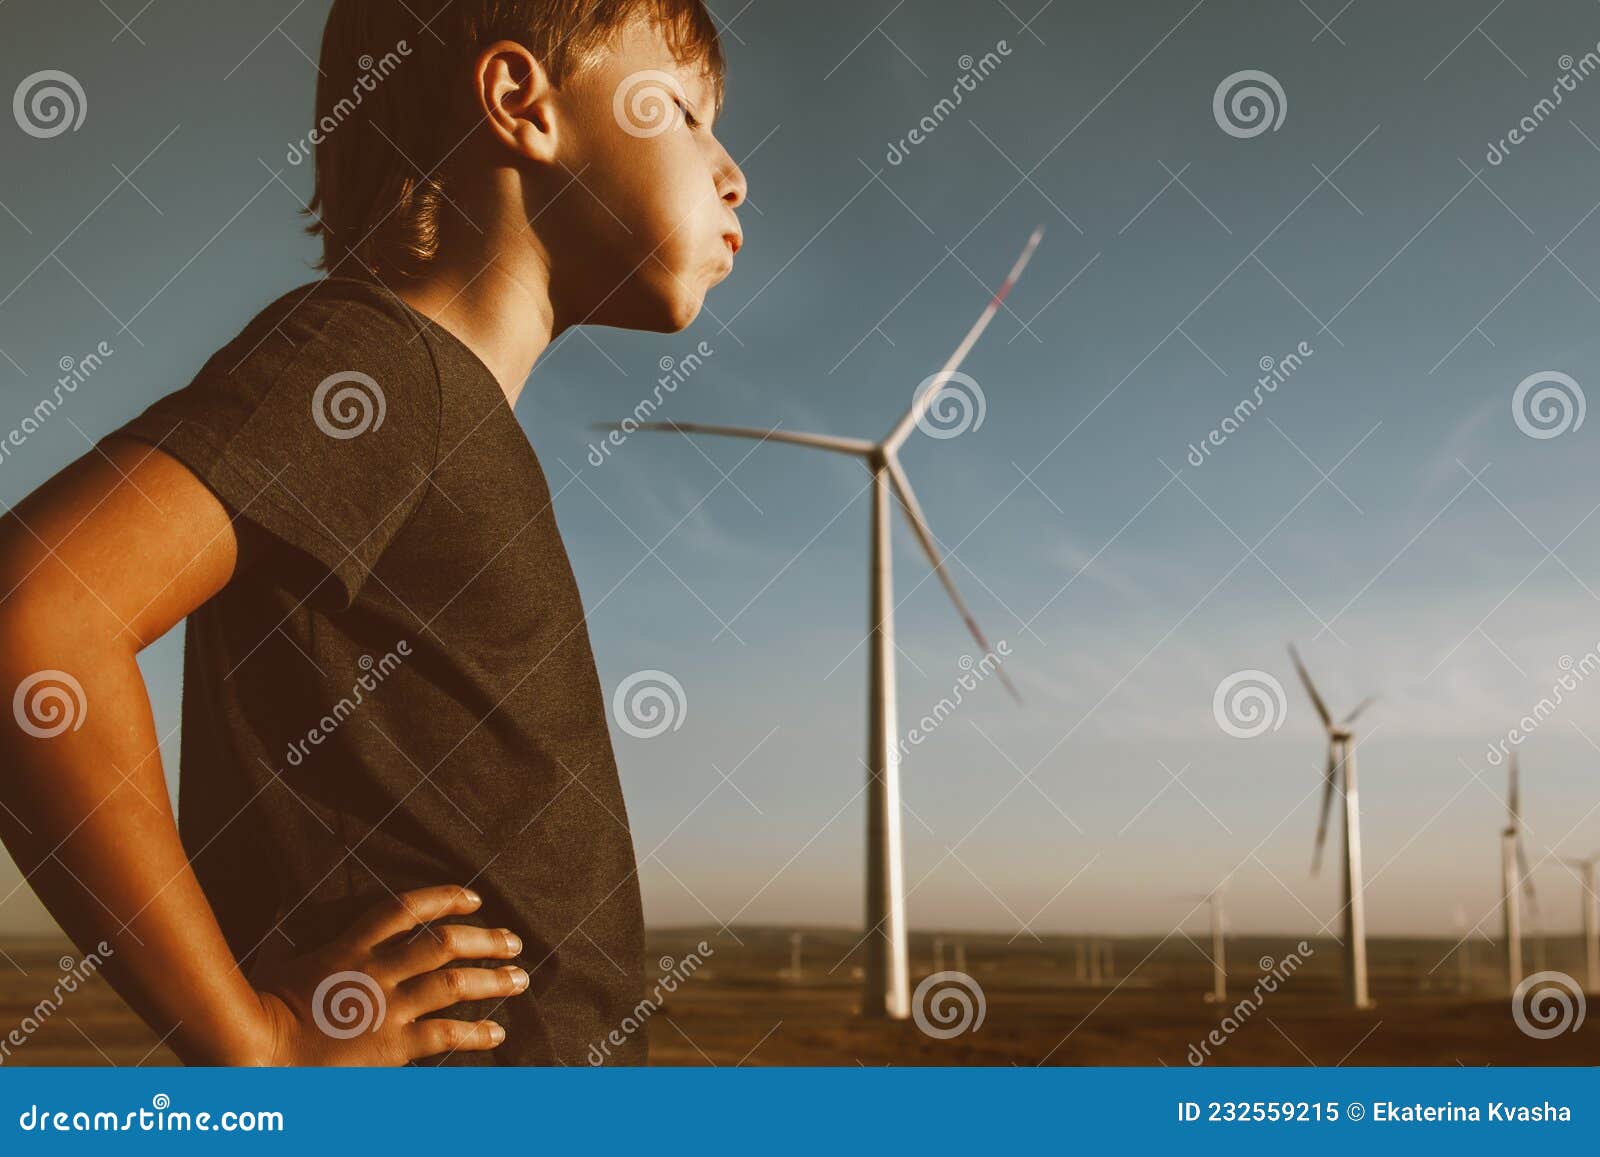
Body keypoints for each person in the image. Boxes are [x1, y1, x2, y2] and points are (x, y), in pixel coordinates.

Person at [0, 0, 746, 1066]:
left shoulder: (433, 408)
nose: (733, 173)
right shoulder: (379, 368)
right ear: (519, 104)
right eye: (684, 113)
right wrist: (256, 1043)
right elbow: (36, 612)